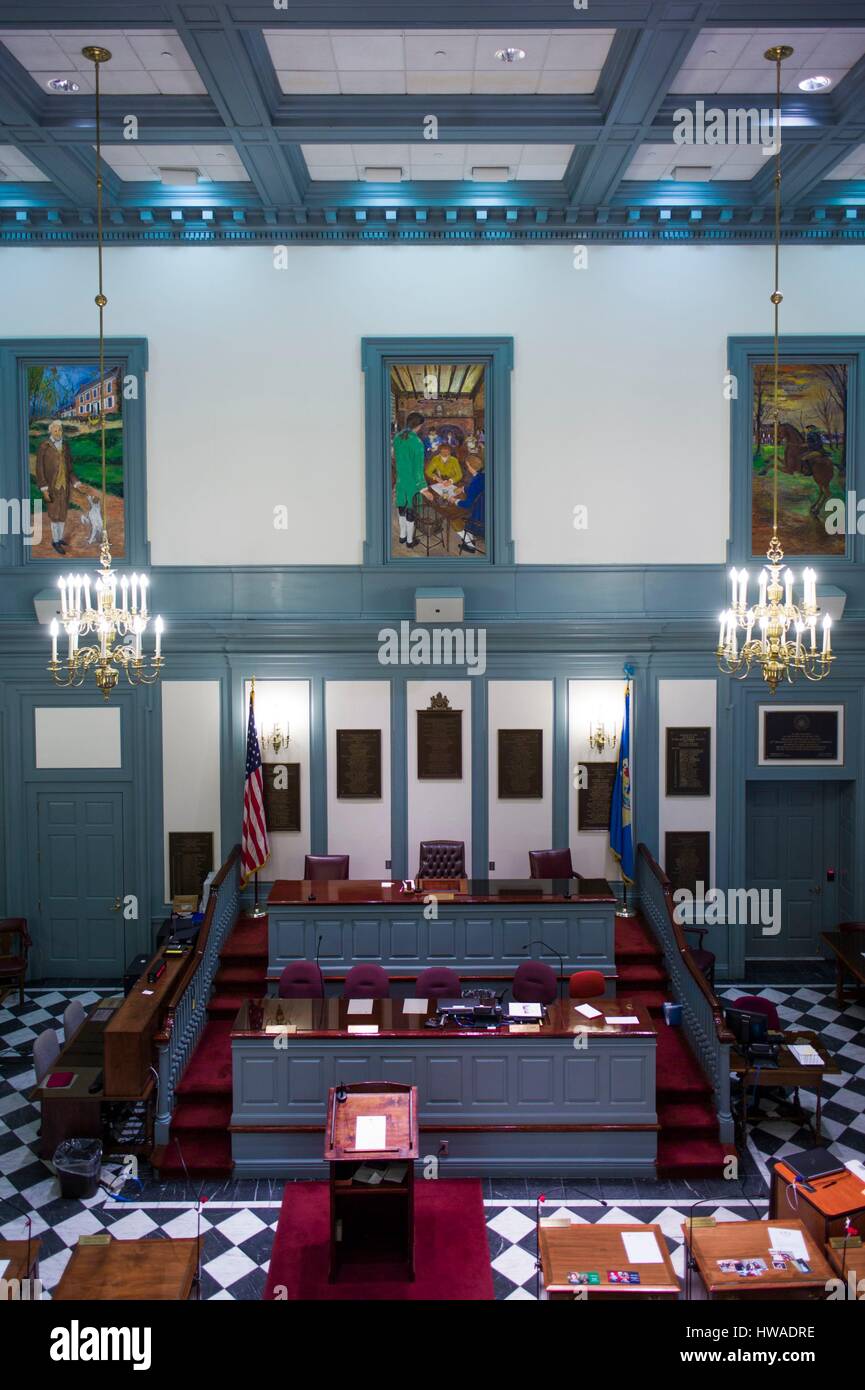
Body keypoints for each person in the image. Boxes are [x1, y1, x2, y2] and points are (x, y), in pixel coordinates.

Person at [35, 420, 84, 555]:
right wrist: (44, 489)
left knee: (62, 514)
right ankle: (55, 541)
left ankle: (59, 538)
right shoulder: (44, 446)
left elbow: (69, 469)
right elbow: (39, 469)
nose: (58, 433)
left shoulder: (65, 446)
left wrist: (76, 483)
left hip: (64, 487)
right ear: (50, 431)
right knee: (54, 515)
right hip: (51, 487)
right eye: (55, 430)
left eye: (60, 430)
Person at [392, 411, 426, 548]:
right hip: (412, 483)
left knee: (401, 509)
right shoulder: (417, 442)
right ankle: (410, 541)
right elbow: (418, 470)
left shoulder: (397, 437)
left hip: (401, 480)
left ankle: (402, 537)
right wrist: (423, 488)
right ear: (419, 426)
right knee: (411, 512)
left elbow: (394, 459)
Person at [454, 454, 485, 553]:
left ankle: (470, 545)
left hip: (480, 520)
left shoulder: (475, 481)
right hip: (484, 509)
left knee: (454, 520)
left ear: (471, 466)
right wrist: (463, 488)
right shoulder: (482, 476)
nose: (467, 468)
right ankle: (470, 537)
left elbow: (467, 504)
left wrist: (454, 500)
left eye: (467, 466)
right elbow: (474, 489)